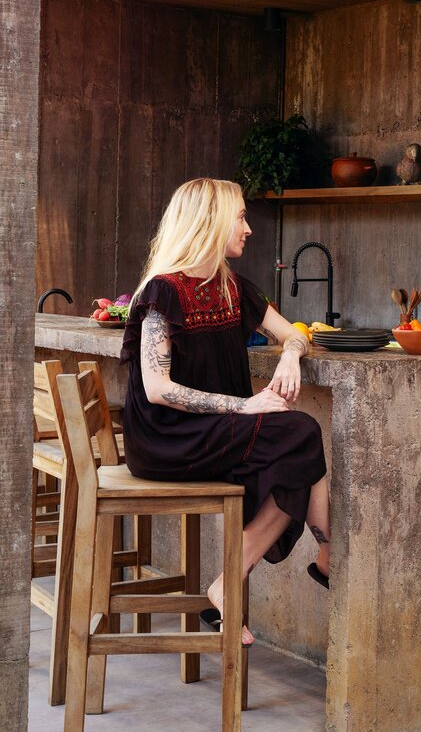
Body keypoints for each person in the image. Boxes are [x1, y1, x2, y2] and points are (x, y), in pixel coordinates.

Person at [121, 178, 330, 646]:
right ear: (211, 222)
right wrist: (246, 405)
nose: (248, 228)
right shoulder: (162, 291)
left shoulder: (232, 287)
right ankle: (327, 548)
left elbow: (292, 332)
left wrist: (291, 354)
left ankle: (229, 580)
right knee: (298, 434)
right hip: (165, 439)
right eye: (240, 216)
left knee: (297, 443)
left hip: (214, 431)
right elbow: (157, 390)